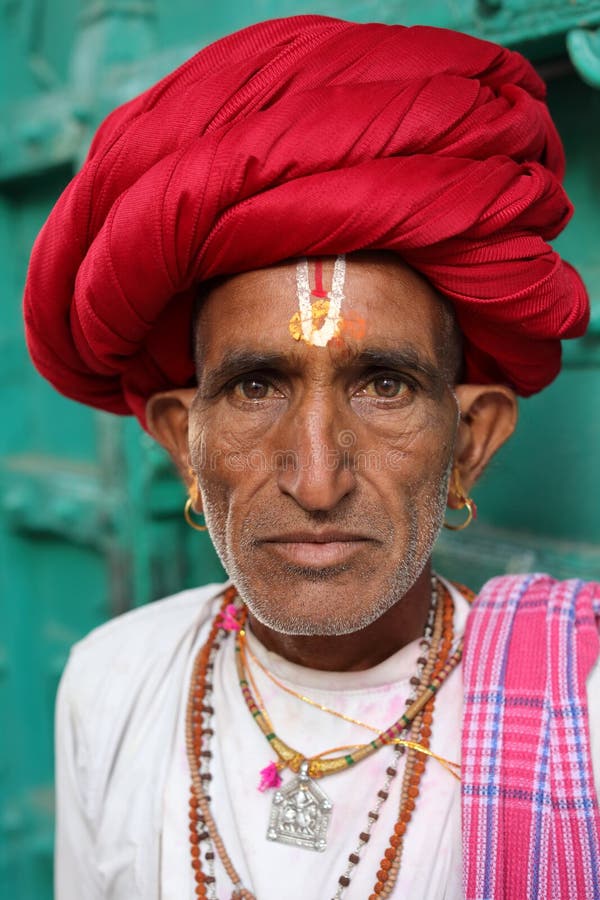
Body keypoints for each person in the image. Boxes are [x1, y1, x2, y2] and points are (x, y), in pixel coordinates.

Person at [23, 15, 600, 900]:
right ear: (182, 441)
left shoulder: (582, 714)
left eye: (385, 386)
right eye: (255, 387)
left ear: (470, 440)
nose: (318, 479)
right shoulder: (114, 681)